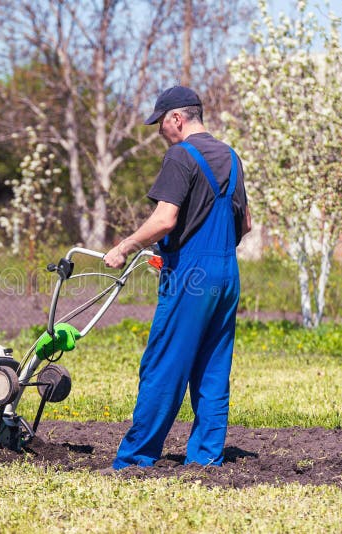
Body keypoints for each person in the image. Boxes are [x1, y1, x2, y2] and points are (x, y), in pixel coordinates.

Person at [103, 85, 251, 469]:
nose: (159, 133)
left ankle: (135, 458)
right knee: (213, 368)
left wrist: (125, 246)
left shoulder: (181, 156)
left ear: (177, 119)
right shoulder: (232, 157)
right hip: (226, 274)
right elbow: (245, 223)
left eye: (160, 124)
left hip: (192, 276)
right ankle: (205, 458)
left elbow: (165, 218)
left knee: (163, 365)